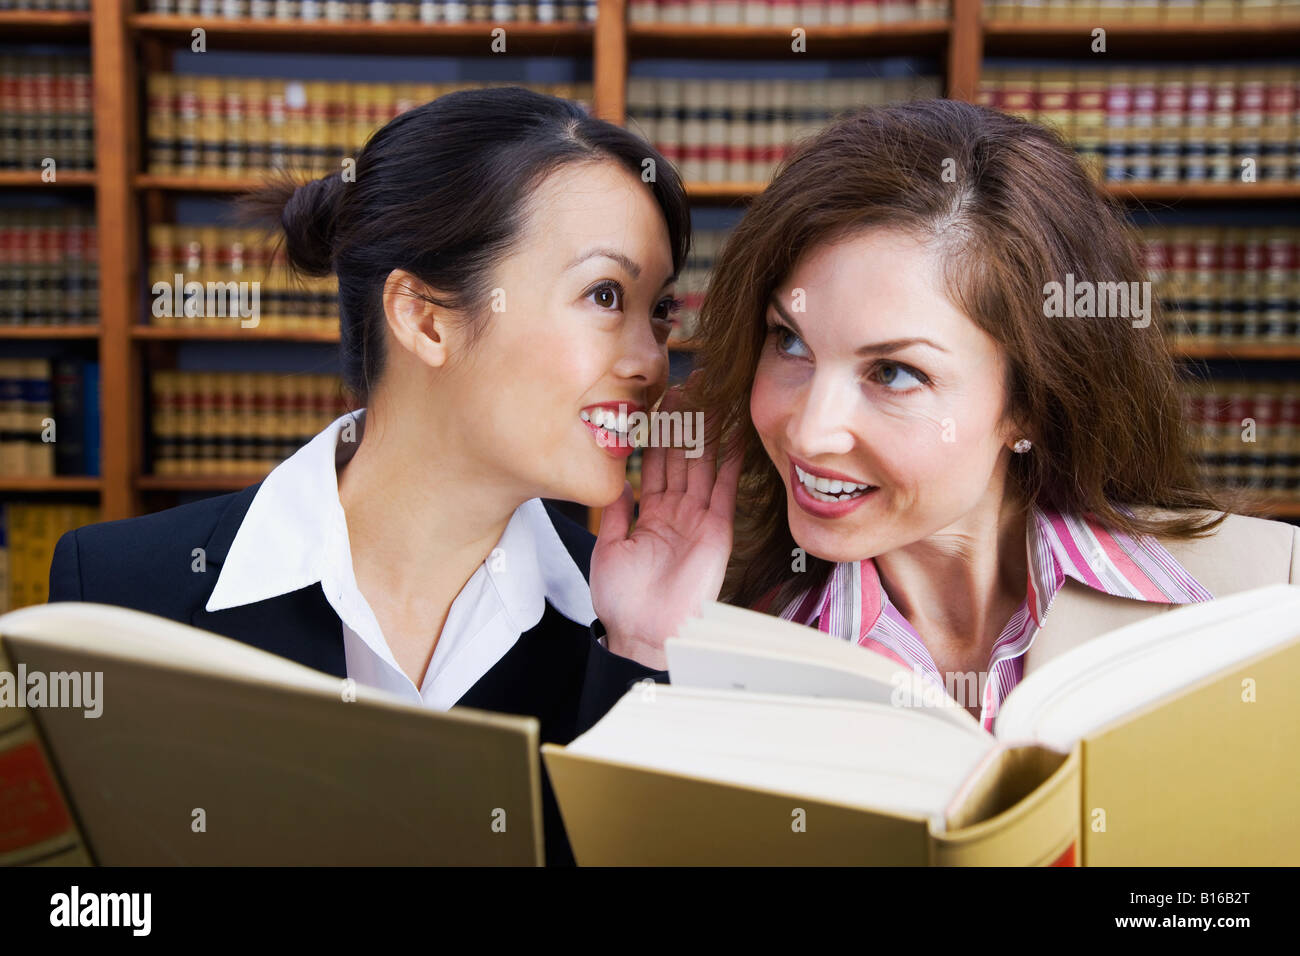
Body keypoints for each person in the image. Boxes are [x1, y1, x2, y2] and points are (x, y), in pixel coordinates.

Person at [47, 86, 692, 865]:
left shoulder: (634, 630)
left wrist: (641, 651)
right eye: (605, 295)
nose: (650, 360)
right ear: (424, 317)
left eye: (658, 310)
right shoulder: (119, 591)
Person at [596, 99, 1299, 730]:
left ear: (1027, 402)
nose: (810, 430)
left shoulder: (1270, 597)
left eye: (894, 373)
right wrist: (647, 652)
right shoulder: (721, 638)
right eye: (791, 342)